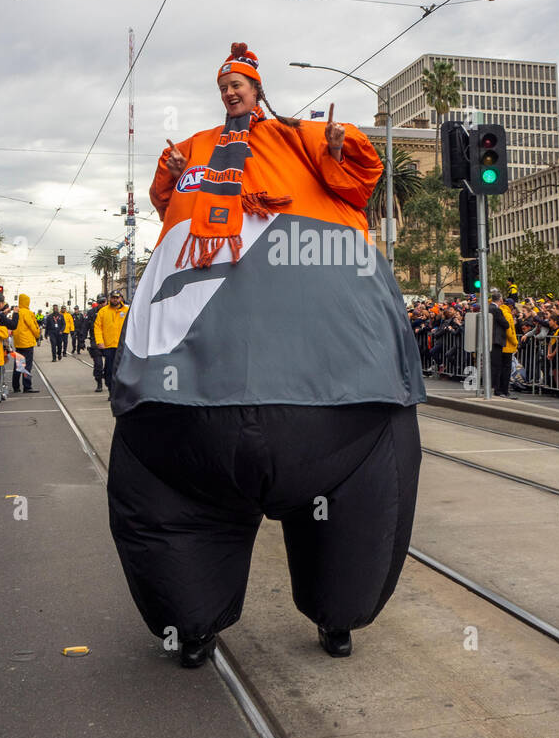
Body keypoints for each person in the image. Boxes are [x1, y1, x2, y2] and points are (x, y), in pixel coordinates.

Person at [107, 41, 424, 667]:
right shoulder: (196, 149)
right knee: (176, 505)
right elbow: (165, 201)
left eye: (239, 83)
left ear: (257, 87)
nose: (230, 91)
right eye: (223, 84)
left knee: (349, 504)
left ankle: (337, 614)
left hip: (334, 394)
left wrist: (340, 145)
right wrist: (171, 173)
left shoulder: (299, 137)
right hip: (189, 395)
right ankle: (190, 620)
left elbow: (359, 175)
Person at [93, 291, 128, 394]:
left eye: (117, 298)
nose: (115, 300)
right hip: (108, 346)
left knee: (122, 369)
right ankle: (111, 390)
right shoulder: (103, 311)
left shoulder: (127, 310)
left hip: (123, 346)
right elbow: (97, 327)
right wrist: (100, 342)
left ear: (120, 298)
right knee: (109, 369)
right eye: (113, 298)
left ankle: (121, 390)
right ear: (110, 298)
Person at [6, 293, 40, 391]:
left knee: (18, 364)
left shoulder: (16, 312)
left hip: (18, 342)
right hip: (27, 342)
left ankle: (16, 387)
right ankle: (27, 386)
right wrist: (37, 335)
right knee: (27, 365)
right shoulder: (27, 313)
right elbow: (32, 326)